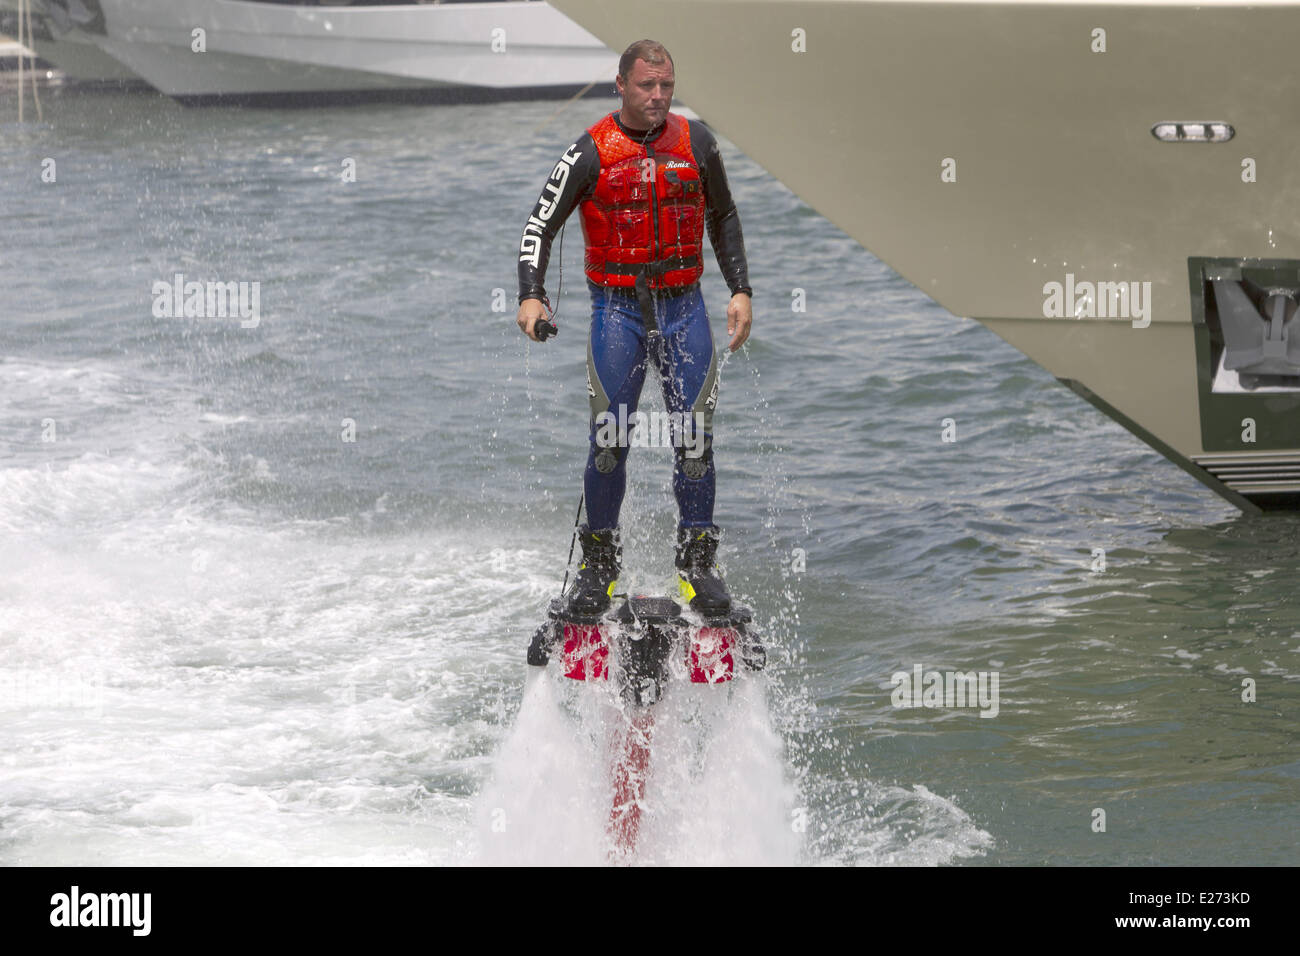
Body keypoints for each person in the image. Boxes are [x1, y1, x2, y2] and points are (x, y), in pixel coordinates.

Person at [516, 39, 753, 618]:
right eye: (646, 86)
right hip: (616, 311)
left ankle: (697, 563)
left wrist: (741, 289)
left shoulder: (696, 143)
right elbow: (539, 225)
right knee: (609, 442)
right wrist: (531, 296)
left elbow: (723, 215)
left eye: (666, 86)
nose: (657, 97)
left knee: (694, 438)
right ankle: (599, 568)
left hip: (684, 308)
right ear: (621, 85)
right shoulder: (590, 151)